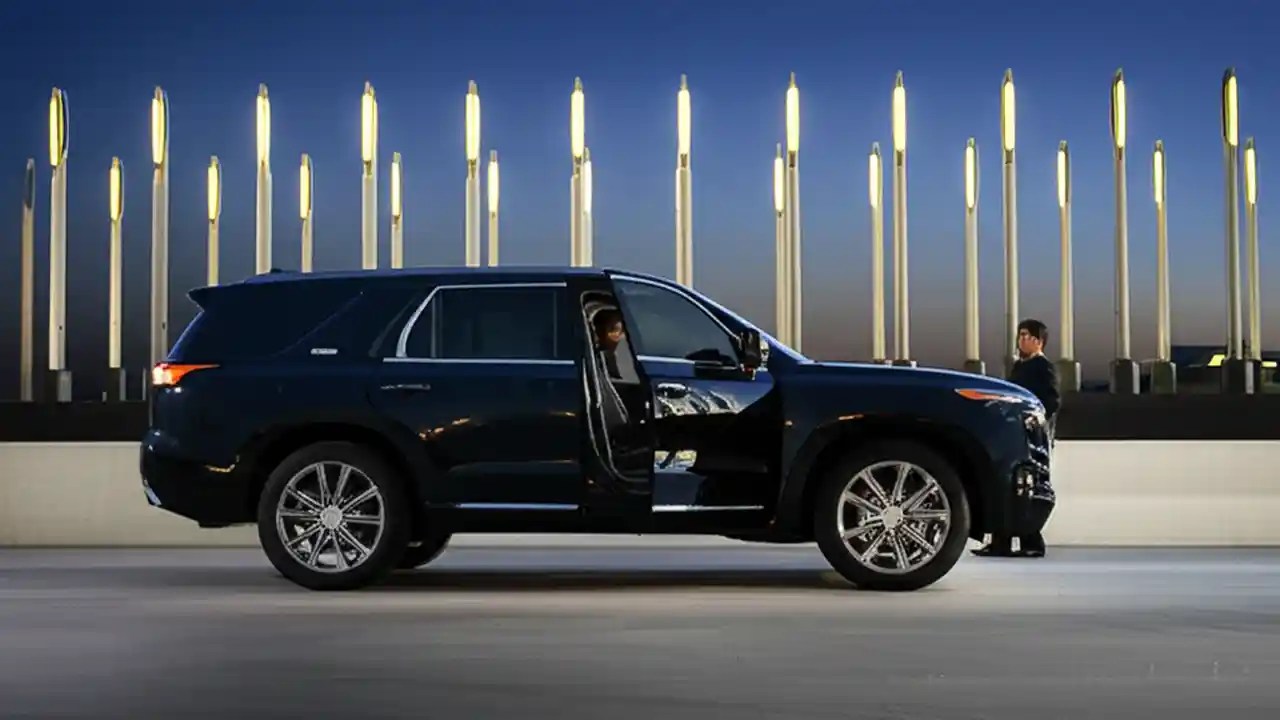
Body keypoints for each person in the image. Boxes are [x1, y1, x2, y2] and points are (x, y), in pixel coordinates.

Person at [972, 318, 1060, 559]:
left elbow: (1051, 401)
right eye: (1020, 335)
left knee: (1027, 489)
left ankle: (1031, 541)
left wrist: (1034, 421)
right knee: (1007, 485)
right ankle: (1001, 541)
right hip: (1014, 435)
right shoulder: (1019, 366)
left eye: (1026, 336)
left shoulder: (1043, 368)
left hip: (1030, 438)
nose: (1021, 340)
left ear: (1039, 341)